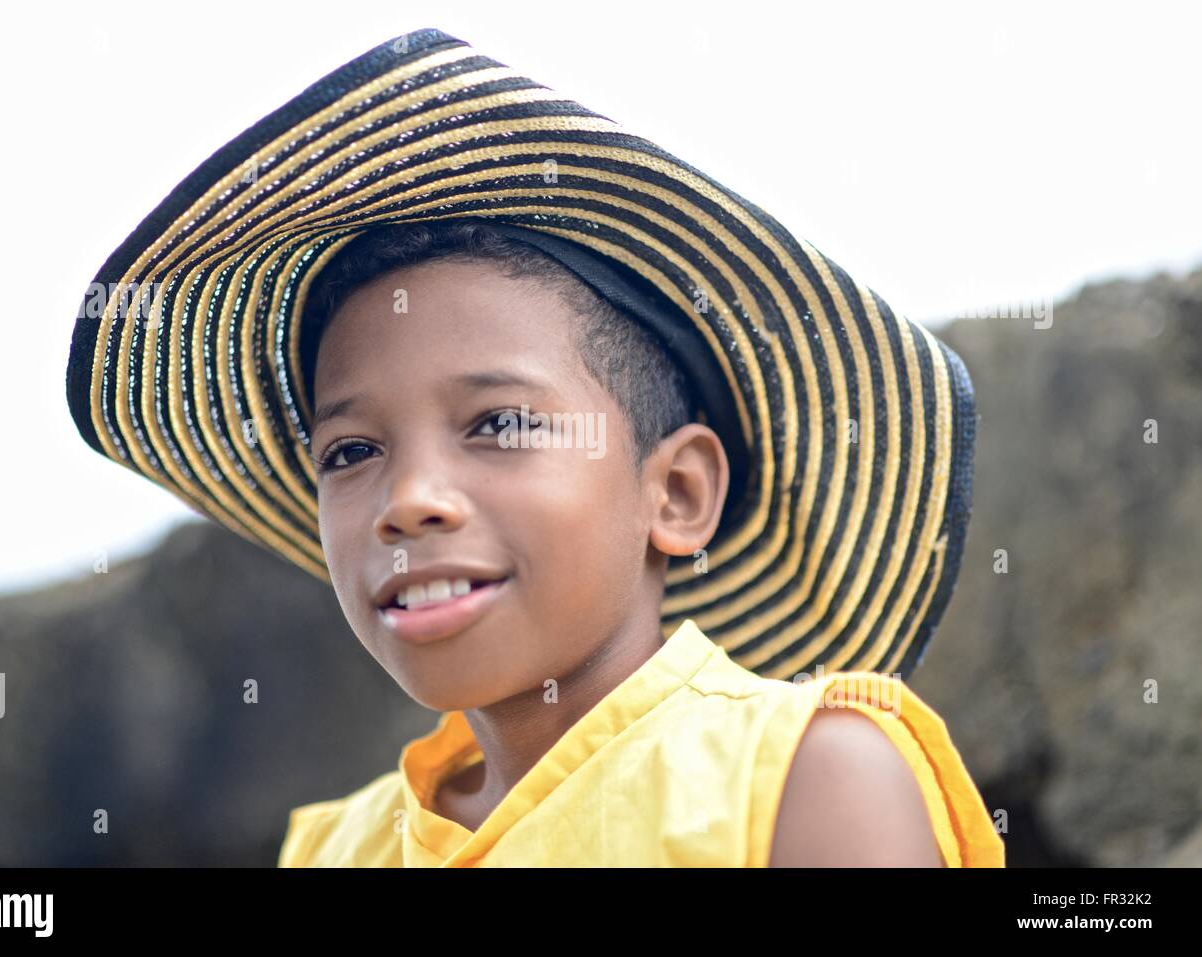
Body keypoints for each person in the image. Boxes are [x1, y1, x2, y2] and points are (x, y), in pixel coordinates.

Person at [63, 27, 1004, 867]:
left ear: (675, 492)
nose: (410, 497)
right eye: (351, 451)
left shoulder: (800, 773)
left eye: (500, 425)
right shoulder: (332, 847)